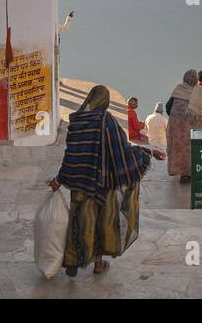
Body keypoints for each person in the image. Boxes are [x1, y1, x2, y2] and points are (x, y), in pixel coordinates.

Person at [48, 85, 162, 277]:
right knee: (101, 223)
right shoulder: (105, 120)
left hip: (80, 184)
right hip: (101, 183)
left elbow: (71, 155)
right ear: (105, 101)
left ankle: (73, 261)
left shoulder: (75, 123)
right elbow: (122, 150)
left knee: (79, 222)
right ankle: (98, 264)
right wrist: (148, 152)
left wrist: (59, 180)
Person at [165, 70, 202, 183]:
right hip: (193, 127)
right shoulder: (200, 92)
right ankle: (193, 172)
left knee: (180, 150)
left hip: (177, 127)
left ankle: (184, 174)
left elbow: (168, 107)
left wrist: (177, 120)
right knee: (192, 149)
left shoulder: (178, 89)